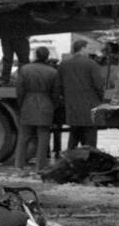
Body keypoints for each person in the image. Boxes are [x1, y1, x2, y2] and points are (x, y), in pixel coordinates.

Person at [13, 45, 60, 175]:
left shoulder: (24, 69)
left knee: (24, 137)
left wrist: (22, 104)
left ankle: (19, 166)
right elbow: (56, 93)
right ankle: (40, 167)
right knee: (43, 137)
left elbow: (20, 90)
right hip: (46, 104)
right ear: (47, 57)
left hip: (28, 103)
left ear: (36, 55)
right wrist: (52, 105)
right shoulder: (53, 72)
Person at [57, 38, 106, 149]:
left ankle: (70, 160)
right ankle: (89, 160)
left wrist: (64, 99)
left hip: (72, 106)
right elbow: (99, 85)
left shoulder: (64, 64)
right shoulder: (91, 64)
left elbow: (58, 85)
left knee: (74, 135)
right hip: (90, 105)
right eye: (88, 48)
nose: (89, 51)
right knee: (90, 138)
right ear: (82, 49)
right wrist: (100, 99)